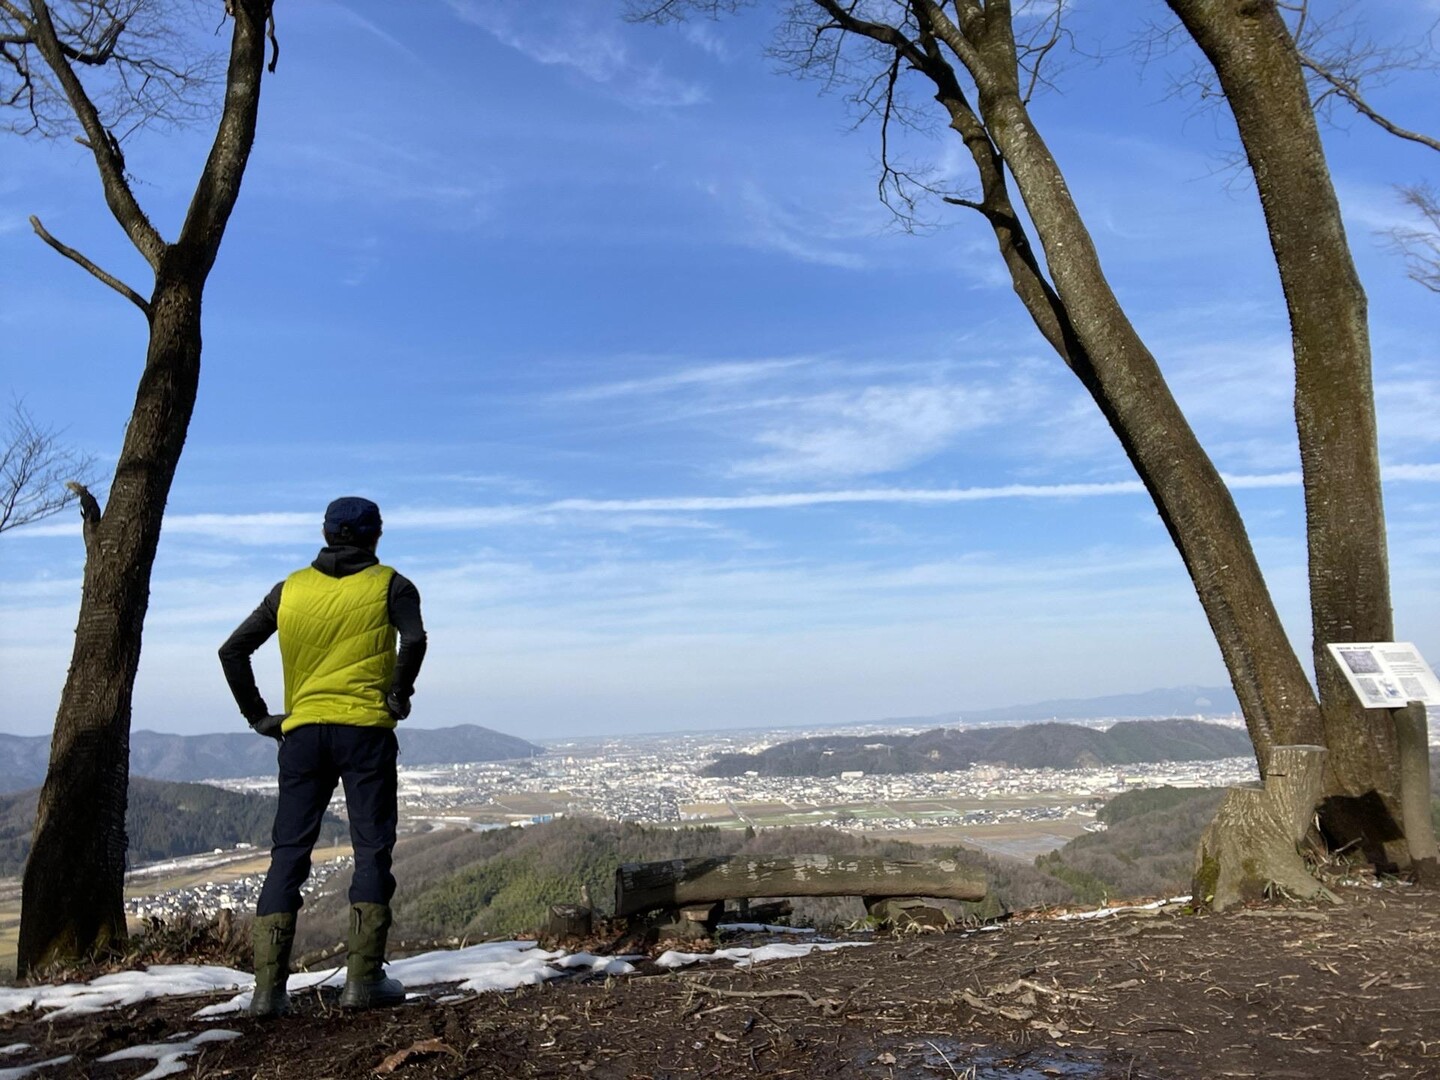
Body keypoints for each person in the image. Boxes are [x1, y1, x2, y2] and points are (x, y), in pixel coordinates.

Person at [219, 496, 427, 1018]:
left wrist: (261, 717)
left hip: (303, 735)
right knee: (371, 849)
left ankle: (267, 992)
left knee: (289, 852)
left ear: (327, 533)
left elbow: (233, 650)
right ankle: (363, 982)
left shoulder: (289, 590)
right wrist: (399, 692)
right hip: (365, 734)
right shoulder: (392, 585)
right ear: (376, 535)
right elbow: (415, 638)